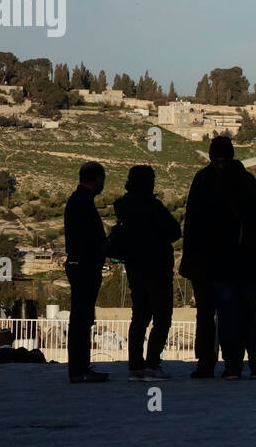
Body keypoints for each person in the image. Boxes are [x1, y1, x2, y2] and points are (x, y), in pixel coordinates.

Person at [181, 137, 256, 380]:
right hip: (240, 267)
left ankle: (223, 365)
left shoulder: (206, 187)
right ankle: (250, 365)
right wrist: (254, 252)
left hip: (215, 265)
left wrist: (193, 258)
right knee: (244, 316)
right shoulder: (250, 191)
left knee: (218, 316)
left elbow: (193, 224)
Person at [111, 165, 180, 381]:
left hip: (134, 266)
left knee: (139, 316)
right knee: (162, 317)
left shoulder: (123, 207)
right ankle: (152, 363)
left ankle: (136, 365)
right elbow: (175, 231)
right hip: (157, 267)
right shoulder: (153, 206)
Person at [64, 161, 109, 383]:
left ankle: (80, 368)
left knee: (81, 318)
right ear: (97, 179)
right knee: (81, 319)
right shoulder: (83, 202)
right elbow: (89, 238)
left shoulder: (78, 199)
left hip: (80, 265)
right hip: (84, 267)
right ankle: (79, 369)